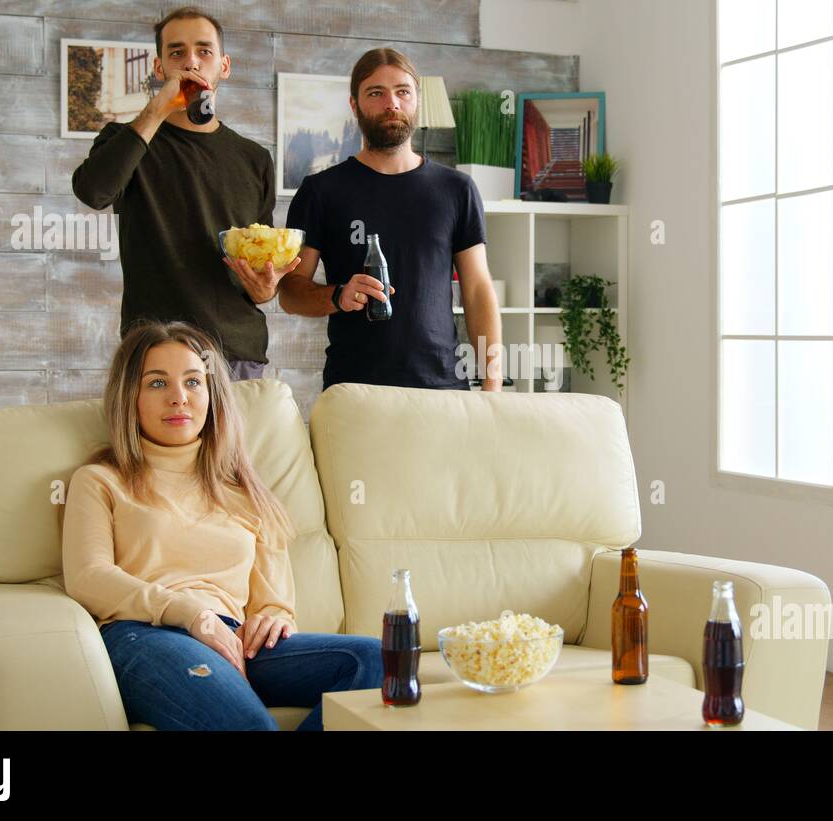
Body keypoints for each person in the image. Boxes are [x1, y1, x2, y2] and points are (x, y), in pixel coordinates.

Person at [61, 320, 382, 731]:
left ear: (211, 396)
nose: (179, 398)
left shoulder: (246, 491)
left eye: (193, 382)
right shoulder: (101, 480)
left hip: (235, 640)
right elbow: (89, 577)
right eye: (157, 384)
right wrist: (190, 613)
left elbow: (273, 601)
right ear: (130, 397)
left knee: (375, 659)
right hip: (146, 636)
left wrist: (274, 617)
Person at [71, 6, 298, 383]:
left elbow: (258, 267)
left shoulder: (254, 158)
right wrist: (157, 109)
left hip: (236, 352)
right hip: (156, 351)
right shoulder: (127, 139)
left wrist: (265, 289)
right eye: (177, 52)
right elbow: (93, 191)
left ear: (224, 65)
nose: (190, 61)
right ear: (159, 69)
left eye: (204, 51)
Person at [273, 47, 504, 392]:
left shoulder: (457, 189)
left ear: (416, 101)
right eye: (376, 93)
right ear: (355, 105)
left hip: (442, 389)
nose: (391, 103)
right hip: (353, 392)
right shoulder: (321, 190)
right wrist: (337, 296)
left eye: (402, 92)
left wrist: (493, 382)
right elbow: (290, 293)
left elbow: (477, 289)